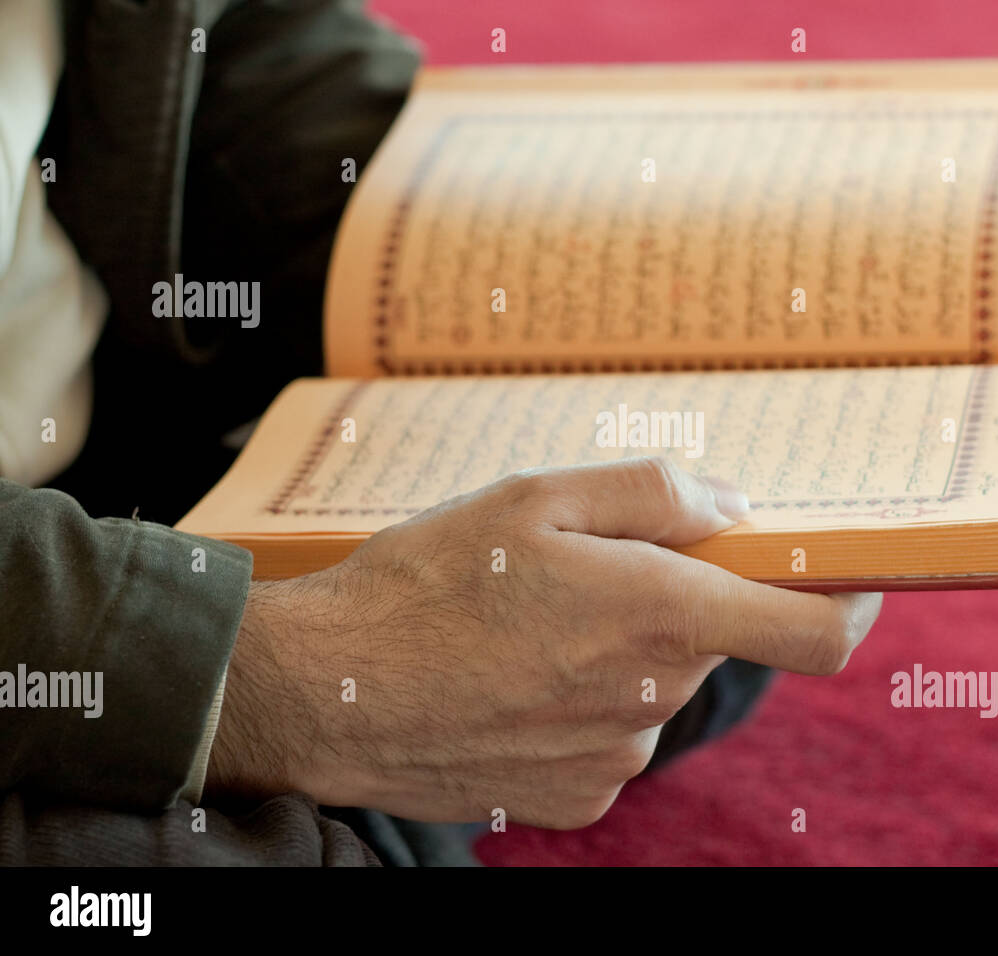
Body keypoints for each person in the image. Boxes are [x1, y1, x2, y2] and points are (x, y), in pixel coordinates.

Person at [0, 0, 881, 866]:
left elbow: (189, 43)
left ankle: (365, 776)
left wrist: (475, 217)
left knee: (692, 581)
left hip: (108, 440)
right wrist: (292, 673)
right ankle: (351, 784)